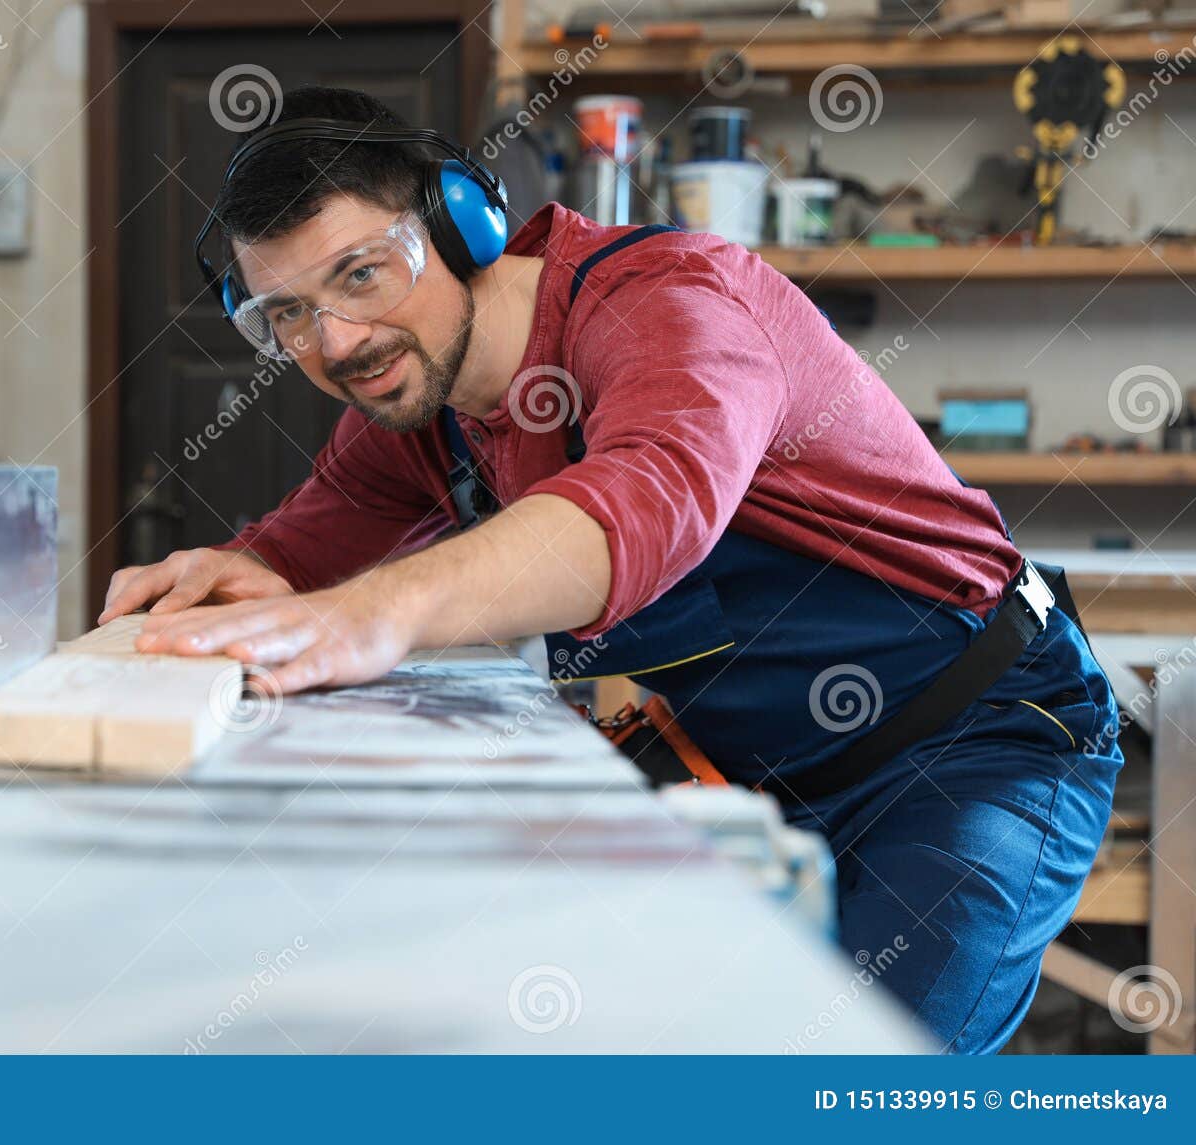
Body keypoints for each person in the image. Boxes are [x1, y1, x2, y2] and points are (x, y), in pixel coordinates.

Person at [99, 86, 1121, 1052]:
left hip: (978, 747)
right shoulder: (424, 403)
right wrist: (219, 584)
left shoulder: (668, 305)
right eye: (285, 313)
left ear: (462, 226)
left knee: (866, 1081)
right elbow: (292, 553)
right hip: (760, 780)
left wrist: (381, 609)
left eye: (361, 274)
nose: (337, 340)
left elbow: (647, 498)